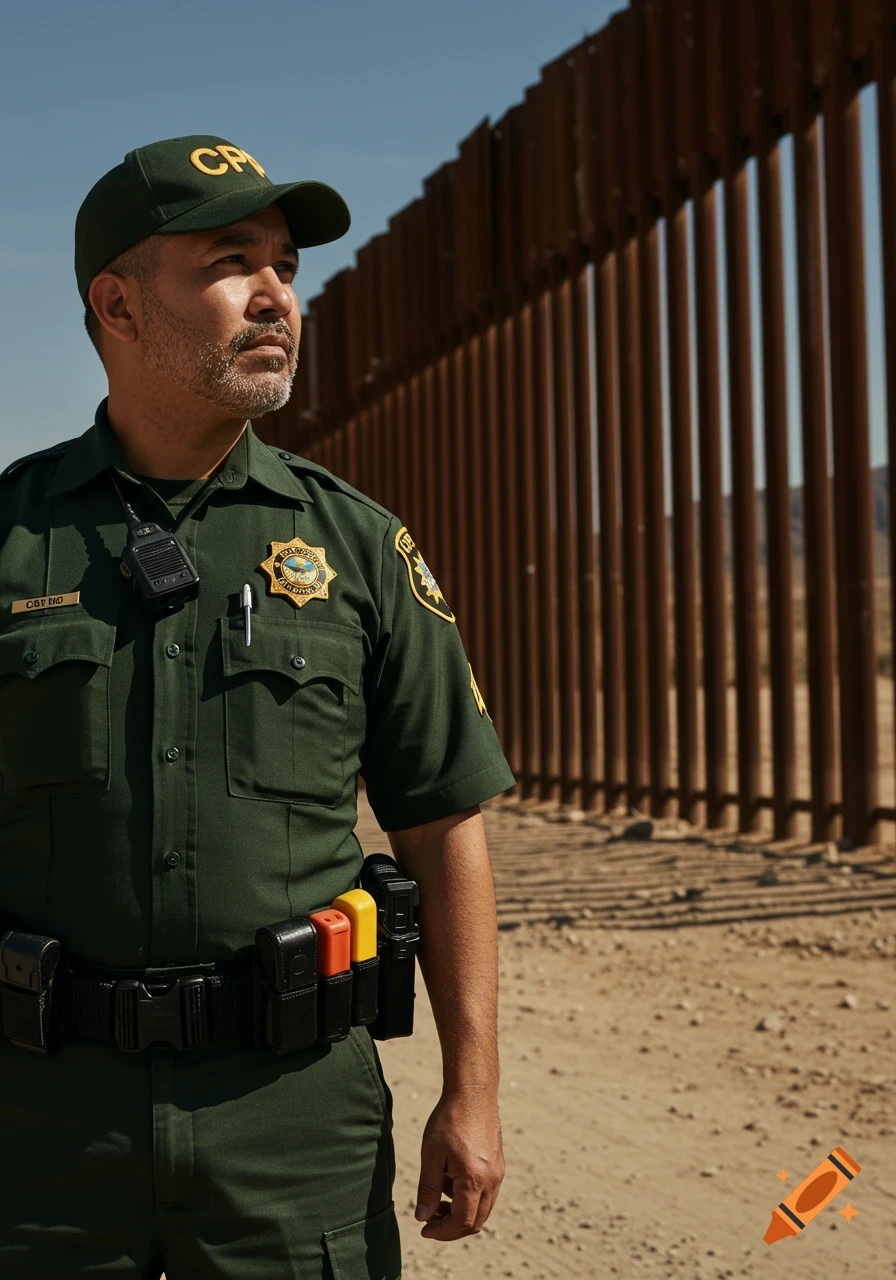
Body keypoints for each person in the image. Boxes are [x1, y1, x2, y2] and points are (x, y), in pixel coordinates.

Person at [0, 135, 517, 1280]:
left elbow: (444, 826)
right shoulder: (11, 537)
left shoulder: (356, 545)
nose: (278, 291)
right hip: (35, 1124)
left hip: (289, 1121)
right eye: (231, 260)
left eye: (285, 263)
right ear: (118, 304)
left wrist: (471, 1090)